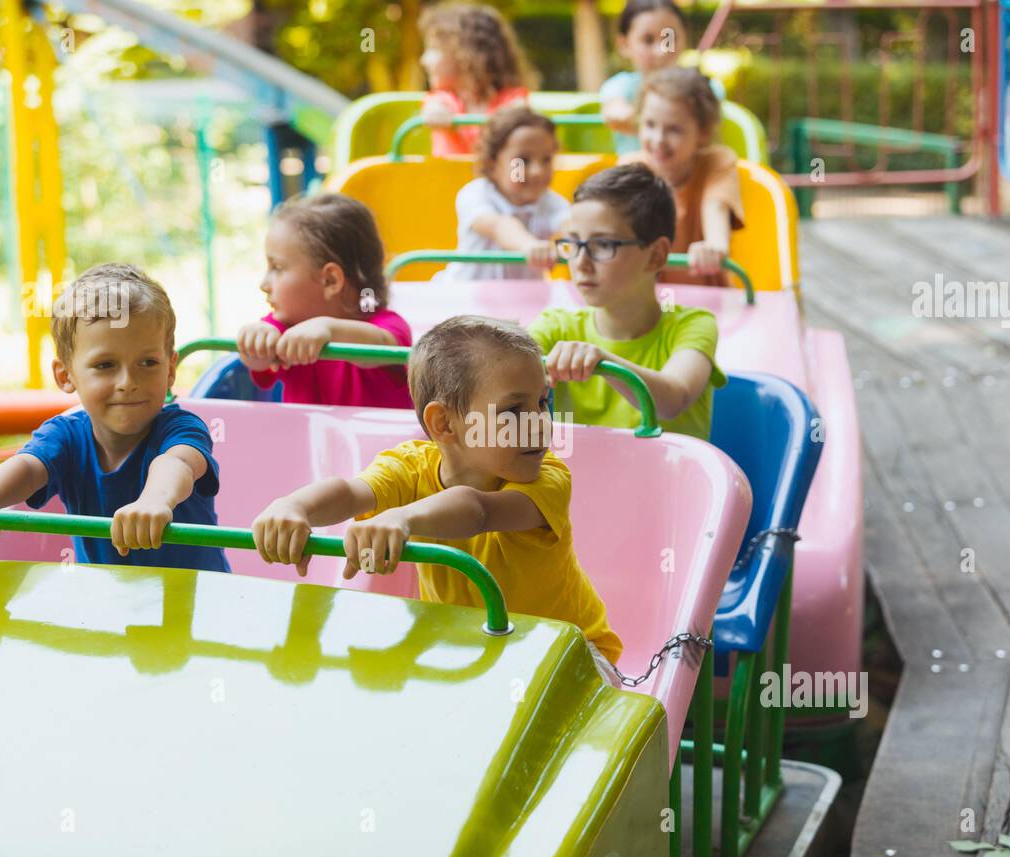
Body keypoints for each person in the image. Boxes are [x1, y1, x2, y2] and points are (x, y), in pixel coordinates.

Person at [250, 315, 624, 672]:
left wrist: (402, 517)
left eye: (543, 402)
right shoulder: (411, 466)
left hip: (570, 652)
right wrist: (293, 507)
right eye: (513, 410)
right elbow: (349, 492)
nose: (540, 423)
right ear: (443, 423)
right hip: (469, 651)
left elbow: (477, 510)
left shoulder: (547, 477)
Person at [0, 263, 229, 571]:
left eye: (147, 362)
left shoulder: (181, 428)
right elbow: (27, 467)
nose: (128, 381)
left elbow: (177, 464)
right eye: (105, 365)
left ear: (170, 369)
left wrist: (155, 501)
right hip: (111, 606)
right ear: (66, 375)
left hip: (198, 606)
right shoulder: (66, 436)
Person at [528, 163, 726, 440]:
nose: (581, 263)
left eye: (603, 245)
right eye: (573, 244)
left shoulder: (693, 325)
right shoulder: (555, 325)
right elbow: (502, 377)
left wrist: (603, 361)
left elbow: (674, 398)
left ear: (656, 255)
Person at [236, 193, 413, 409]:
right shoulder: (282, 325)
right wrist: (256, 339)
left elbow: (379, 347)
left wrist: (327, 328)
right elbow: (257, 361)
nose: (264, 284)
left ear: (330, 280)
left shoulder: (389, 326)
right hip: (309, 442)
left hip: (382, 443)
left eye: (277, 268)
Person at [620, 66, 745, 287]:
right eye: (649, 124)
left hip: (707, 298)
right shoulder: (631, 169)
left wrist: (714, 246)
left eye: (674, 129)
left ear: (703, 132)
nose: (658, 139)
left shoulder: (717, 163)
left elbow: (715, 208)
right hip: (647, 300)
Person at [442, 107, 567, 281]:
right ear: (492, 164)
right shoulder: (476, 193)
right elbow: (497, 225)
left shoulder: (552, 202)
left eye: (546, 159)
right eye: (522, 161)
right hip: (466, 294)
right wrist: (529, 245)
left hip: (523, 299)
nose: (537, 171)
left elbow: (572, 224)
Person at [600, 0, 725, 154]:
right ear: (624, 44)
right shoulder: (619, 86)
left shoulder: (708, 88)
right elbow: (615, 113)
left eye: (669, 39)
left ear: (685, 38)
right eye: (648, 40)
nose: (662, 51)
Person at [419, 2, 533, 157]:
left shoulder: (511, 100)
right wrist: (435, 112)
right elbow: (434, 107)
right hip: (449, 178)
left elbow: (519, 120)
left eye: (434, 49)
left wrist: (517, 119)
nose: (424, 60)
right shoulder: (443, 99)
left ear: (465, 55)